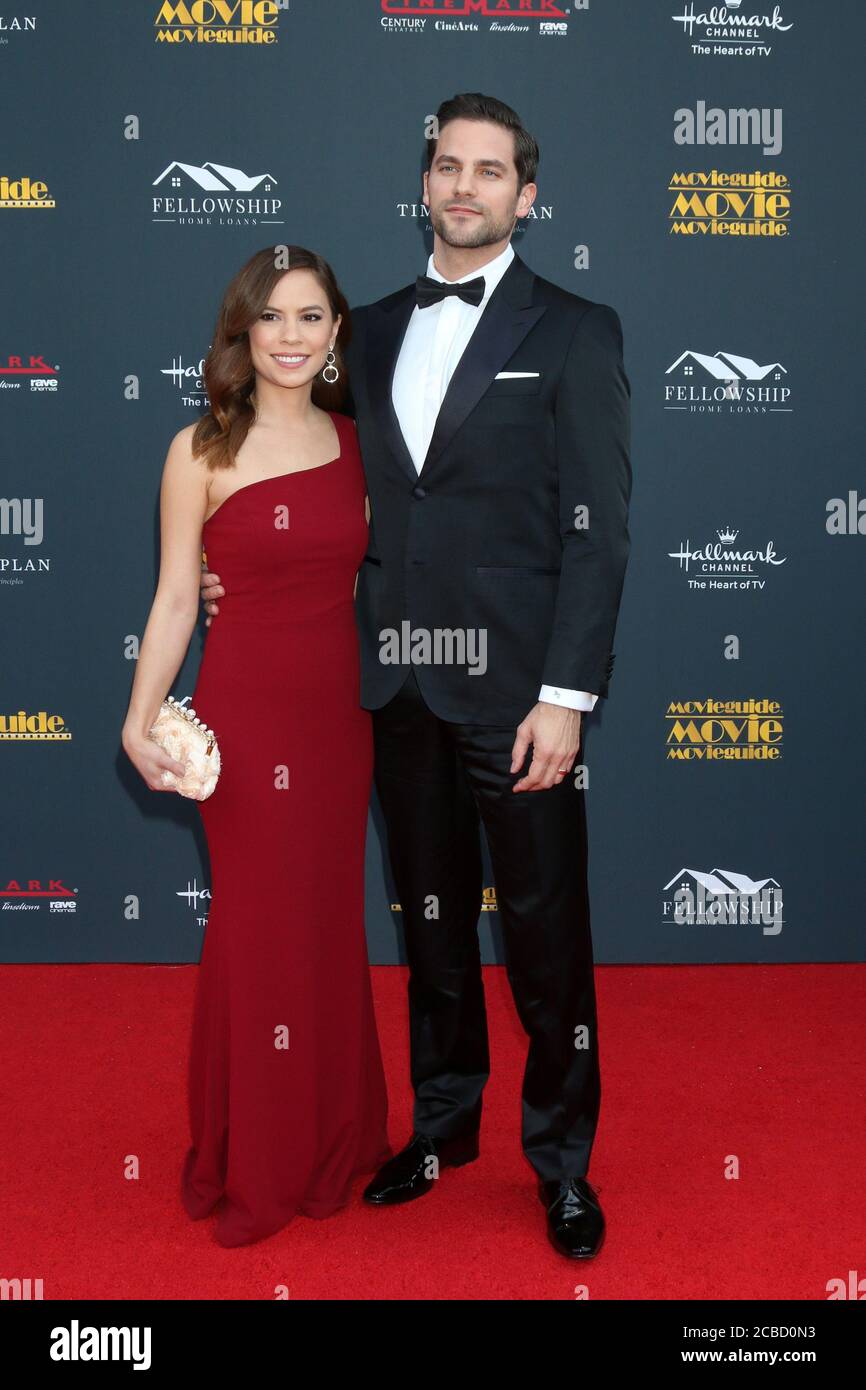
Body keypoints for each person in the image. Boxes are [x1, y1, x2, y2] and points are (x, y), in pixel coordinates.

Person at [202, 93, 632, 1259]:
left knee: (544, 935)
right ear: (425, 182)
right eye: (449, 166)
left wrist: (567, 694)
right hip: (392, 684)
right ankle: (442, 1128)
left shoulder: (576, 331)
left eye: (490, 172)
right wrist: (214, 562)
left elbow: (597, 532)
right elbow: (307, 475)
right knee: (434, 927)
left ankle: (561, 1161)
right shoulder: (372, 329)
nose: (465, 188)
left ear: (524, 196)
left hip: (518, 696)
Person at [122, 246, 390, 1248]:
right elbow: (176, 596)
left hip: (336, 718)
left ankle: (336, 1135)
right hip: (245, 718)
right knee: (258, 927)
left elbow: (389, 574)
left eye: (310, 317)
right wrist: (137, 714)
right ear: (240, 330)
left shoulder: (362, 445)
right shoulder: (199, 449)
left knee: (323, 920)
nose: (290, 336)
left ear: (334, 334)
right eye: (270, 317)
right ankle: (258, 1158)